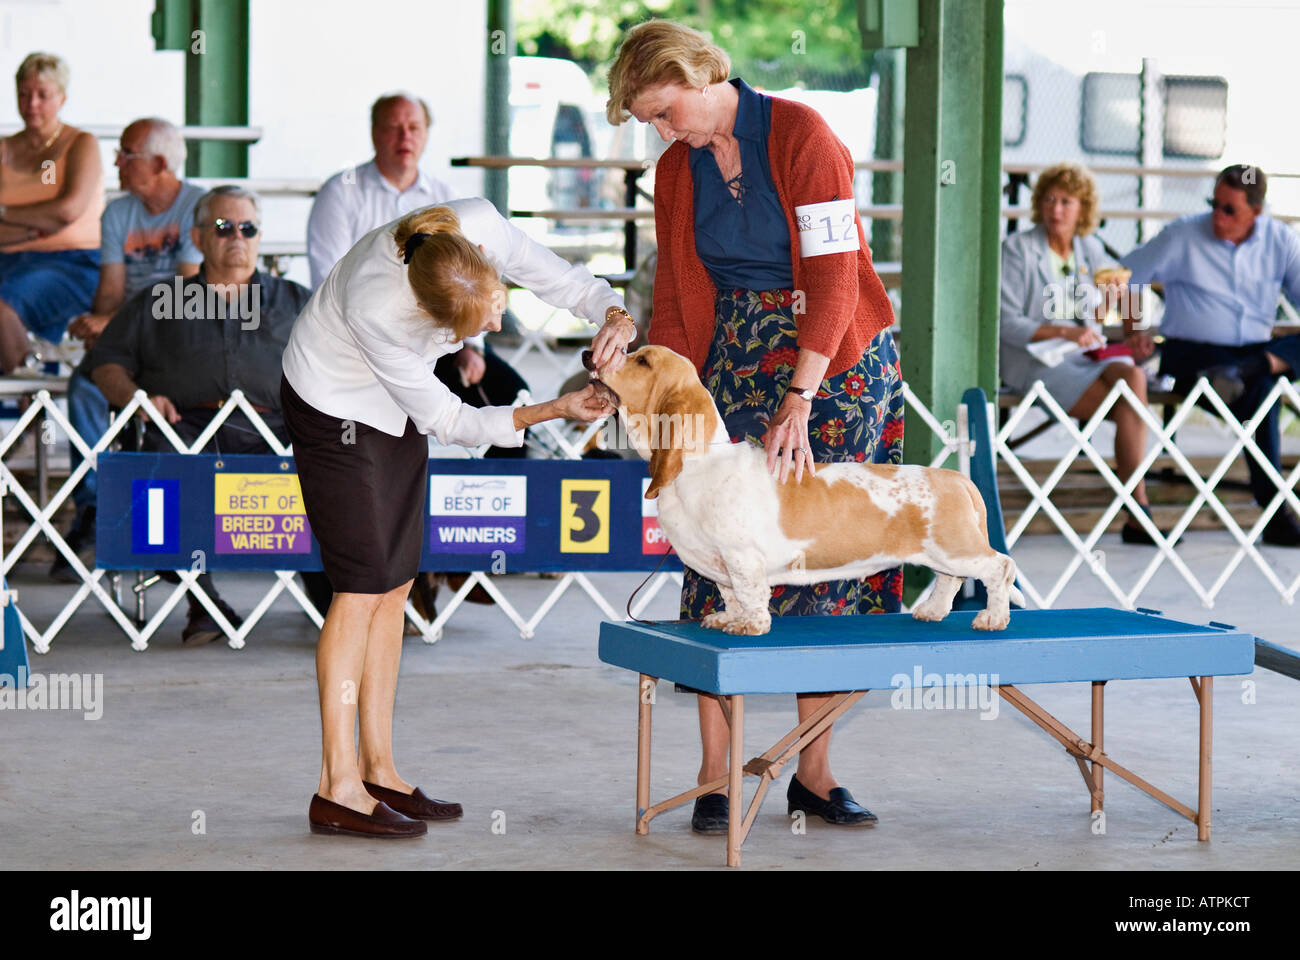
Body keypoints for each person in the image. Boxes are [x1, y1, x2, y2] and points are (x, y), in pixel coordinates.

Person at [607, 19, 903, 834]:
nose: (663, 133)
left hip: (832, 367)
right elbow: (672, 298)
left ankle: (813, 769)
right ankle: (715, 775)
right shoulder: (676, 170)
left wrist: (802, 397)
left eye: (666, 112)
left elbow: (836, 277)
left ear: (704, 75)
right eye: (651, 122)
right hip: (727, 367)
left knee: (824, 559)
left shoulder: (804, 135)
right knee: (713, 555)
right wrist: (650, 386)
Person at [281, 198, 634, 837]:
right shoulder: (376, 308)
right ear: (428, 316)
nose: (497, 323)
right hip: (333, 406)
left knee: (395, 585)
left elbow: (552, 274)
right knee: (360, 589)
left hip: (391, 406)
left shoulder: (472, 224)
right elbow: (453, 422)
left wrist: (611, 310)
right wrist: (552, 409)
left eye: (496, 299)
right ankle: (336, 787)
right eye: (479, 324)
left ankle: (379, 768)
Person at [86, 186, 332, 643]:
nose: (236, 236)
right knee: (157, 480)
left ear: (259, 237)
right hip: (184, 430)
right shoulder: (160, 300)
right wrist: (139, 398)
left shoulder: (297, 301)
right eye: (223, 226)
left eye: (247, 227)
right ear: (196, 238)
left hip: (279, 430)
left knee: (333, 465)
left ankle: (332, 603)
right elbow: (106, 363)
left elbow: (340, 366)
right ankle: (204, 605)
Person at [307, 92, 528, 459]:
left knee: (511, 393)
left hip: (439, 340)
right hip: (364, 346)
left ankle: (492, 504)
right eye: (393, 128)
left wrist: (472, 348)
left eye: (413, 127)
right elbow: (326, 280)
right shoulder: (340, 193)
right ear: (374, 133)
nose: (404, 137)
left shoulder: (445, 197)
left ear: (426, 134)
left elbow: (475, 276)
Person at [50, 118, 205, 582]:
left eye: (126, 153)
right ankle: (95, 511)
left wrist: (114, 323)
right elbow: (109, 293)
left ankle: (172, 527)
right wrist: (104, 331)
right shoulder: (118, 213)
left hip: (182, 340)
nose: (115, 160)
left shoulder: (199, 206)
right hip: (131, 338)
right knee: (83, 388)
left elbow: (189, 293)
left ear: (159, 163)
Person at [1122, 164, 1300, 546]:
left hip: (1252, 353)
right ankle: (1275, 512)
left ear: (1257, 210)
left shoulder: (1281, 240)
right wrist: (1134, 329)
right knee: (1264, 391)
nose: (1217, 216)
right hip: (1193, 355)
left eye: (1229, 209)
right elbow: (1124, 275)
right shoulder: (1183, 233)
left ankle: (1247, 369)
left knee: (1258, 386)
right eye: (1214, 204)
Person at [1000, 163, 1161, 544]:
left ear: (1082, 208)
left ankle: (1136, 507)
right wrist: (1065, 331)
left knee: (1133, 376)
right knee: (1129, 406)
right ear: (1040, 204)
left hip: (1084, 356)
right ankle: (1137, 508)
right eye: (1050, 200)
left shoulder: (1090, 249)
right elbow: (1005, 321)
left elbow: (1116, 300)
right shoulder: (1019, 250)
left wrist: (1134, 331)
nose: (1056, 210)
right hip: (1036, 359)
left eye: (1066, 202)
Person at [0, 52, 103, 373]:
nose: (32, 104)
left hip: (72, 262)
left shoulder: (81, 143)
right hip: (9, 259)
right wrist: (36, 227)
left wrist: (5, 212)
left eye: (43, 95)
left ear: (62, 98)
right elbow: (55, 216)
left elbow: (68, 210)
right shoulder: (4, 147)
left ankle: (30, 392)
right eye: (24, 94)